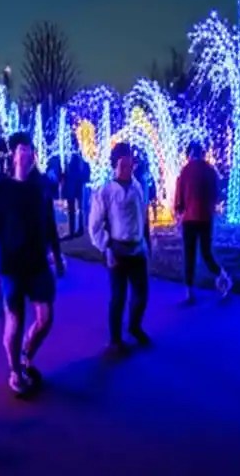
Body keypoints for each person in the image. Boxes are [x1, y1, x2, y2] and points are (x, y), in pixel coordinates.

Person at [0, 132, 65, 396]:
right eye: (22, 149)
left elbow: (49, 223)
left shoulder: (41, 188)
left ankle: (27, 354)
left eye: (30, 149)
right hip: (11, 265)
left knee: (45, 318)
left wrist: (58, 256)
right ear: (14, 155)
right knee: (14, 320)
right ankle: (15, 370)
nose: (27, 153)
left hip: (38, 263)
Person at [89, 143, 151, 352]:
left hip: (137, 248)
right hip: (117, 250)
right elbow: (95, 225)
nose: (127, 167)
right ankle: (115, 339)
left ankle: (134, 326)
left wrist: (146, 242)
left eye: (130, 162)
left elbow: (143, 216)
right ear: (115, 164)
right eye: (122, 163)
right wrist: (106, 247)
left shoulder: (137, 186)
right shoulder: (105, 192)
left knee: (141, 293)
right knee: (119, 296)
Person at [174, 142, 232, 303]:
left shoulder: (185, 170)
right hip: (205, 218)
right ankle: (223, 278)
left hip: (189, 219)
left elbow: (180, 195)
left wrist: (179, 211)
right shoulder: (210, 170)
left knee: (189, 255)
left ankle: (189, 291)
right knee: (206, 253)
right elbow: (216, 193)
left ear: (190, 154)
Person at [62, 152, 90, 238]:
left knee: (72, 212)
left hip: (72, 191)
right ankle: (79, 229)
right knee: (79, 210)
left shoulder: (70, 165)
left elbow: (66, 178)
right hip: (78, 191)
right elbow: (86, 178)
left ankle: (73, 230)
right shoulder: (83, 164)